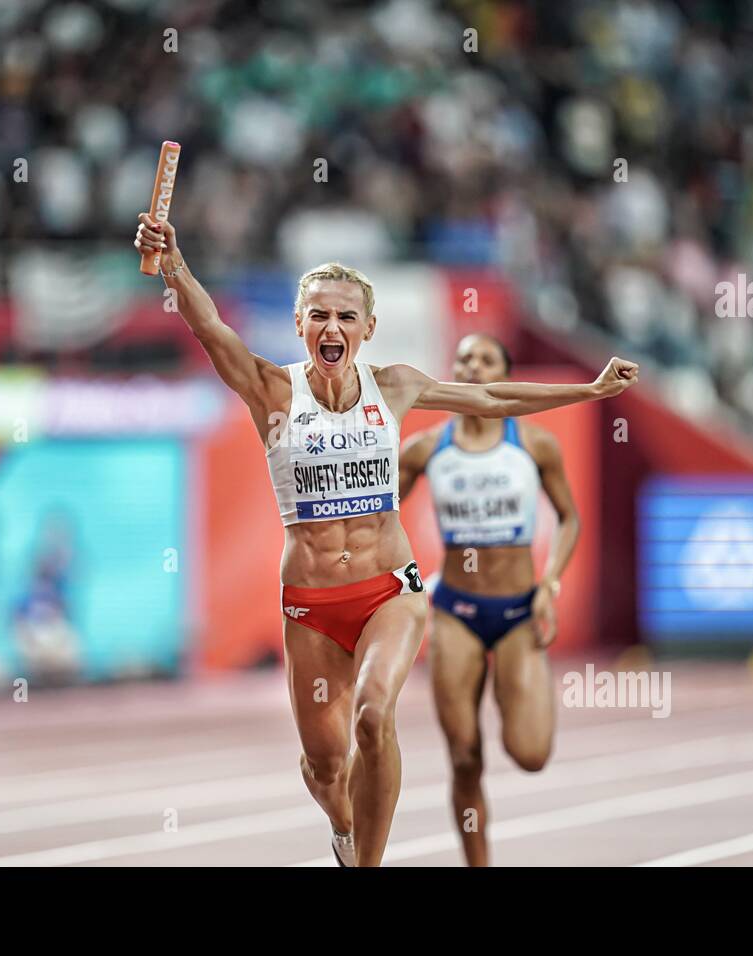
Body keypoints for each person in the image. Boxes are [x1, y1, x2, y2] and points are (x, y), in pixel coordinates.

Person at [135, 212, 638, 866]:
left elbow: (493, 399)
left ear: (367, 329)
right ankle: (344, 830)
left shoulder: (395, 386)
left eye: (346, 317)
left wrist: (591, 388)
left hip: (389, 593)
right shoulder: (272, 389)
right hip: (311, 607)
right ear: (299, 324)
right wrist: (173, 262)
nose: (332, 328)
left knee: (375, 716)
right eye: (319, 315)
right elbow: (209, 325)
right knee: (322, 766)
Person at [399, 332, 580, 866]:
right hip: (456, 610)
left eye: (485, 360)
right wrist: (407, 583)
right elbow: (379, 520)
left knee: (530, 754)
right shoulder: (427, 447)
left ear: (505, 373)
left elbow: (570, 517)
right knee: (464, 757)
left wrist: (550, 583)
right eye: (463, 359)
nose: (472, 367)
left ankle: (510, 689)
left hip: (520, 612)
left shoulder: (535, 445)